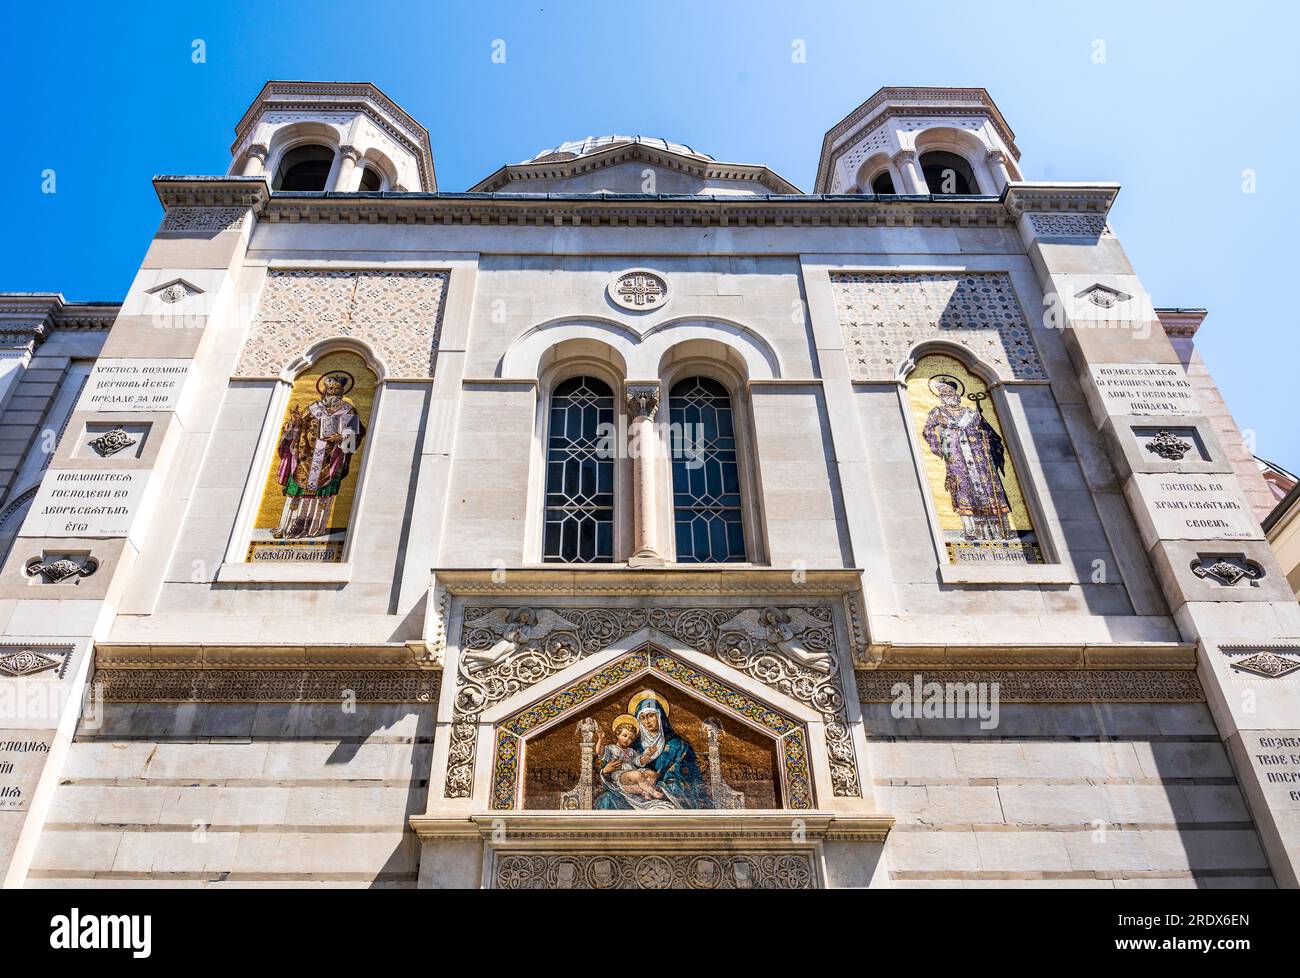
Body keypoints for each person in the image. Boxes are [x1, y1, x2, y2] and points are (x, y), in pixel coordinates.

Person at [596, 715, 666, 801]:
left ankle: (645, 792)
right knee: (637, 775)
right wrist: (600, 739)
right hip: (620, 774)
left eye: (630, 738)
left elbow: (639, 761)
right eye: (624, 735)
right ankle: (652, 791)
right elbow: (599, 752)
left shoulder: (631, 751)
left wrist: (648, 754)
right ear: (617, 734)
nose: (627, 740)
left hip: (633, 772)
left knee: (651, 774)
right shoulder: (611, 748)